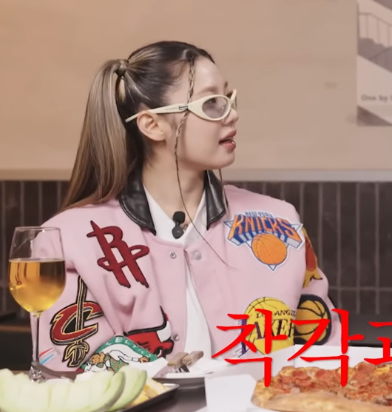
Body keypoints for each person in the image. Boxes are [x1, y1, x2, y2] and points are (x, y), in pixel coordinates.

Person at [31, 41, 340, 373]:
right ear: (152, 124)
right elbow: (74, 370)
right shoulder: (66, 240)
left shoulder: (279, 221)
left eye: (228, 98)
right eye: (211, 103)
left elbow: (325, 352)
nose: (232, 114)